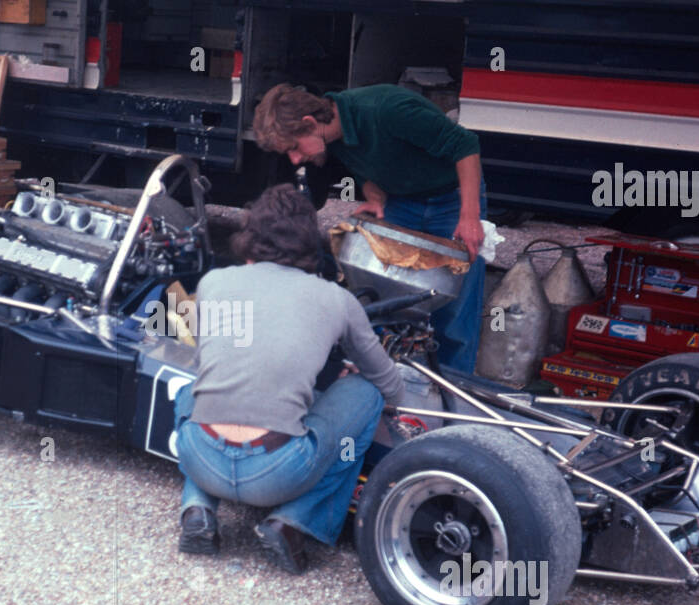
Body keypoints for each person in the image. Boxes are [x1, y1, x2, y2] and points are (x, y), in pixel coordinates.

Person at [173, 184, 405, 574]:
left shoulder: (212, 283)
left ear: (249, 235)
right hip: (279, 475)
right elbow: (390, 387)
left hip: (200, 457)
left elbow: (212, 364)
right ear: (308, 242)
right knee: (366, 396)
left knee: (189, 390)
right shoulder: (336, 299)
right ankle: (295, 522)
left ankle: (196, 509)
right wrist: (345, 381)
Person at [252, 83, 487, 373]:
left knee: (454, 307)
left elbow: (465, 146)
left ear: (310, 123)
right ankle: (395, 382)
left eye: (294, 148)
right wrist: (374, 196)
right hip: (402, 201)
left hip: (453, 199)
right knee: (389, 301)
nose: (296, 159)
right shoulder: (331, 137)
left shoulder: (386, 111)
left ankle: (454, 391)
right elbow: (362, 165)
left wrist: (470, 216)